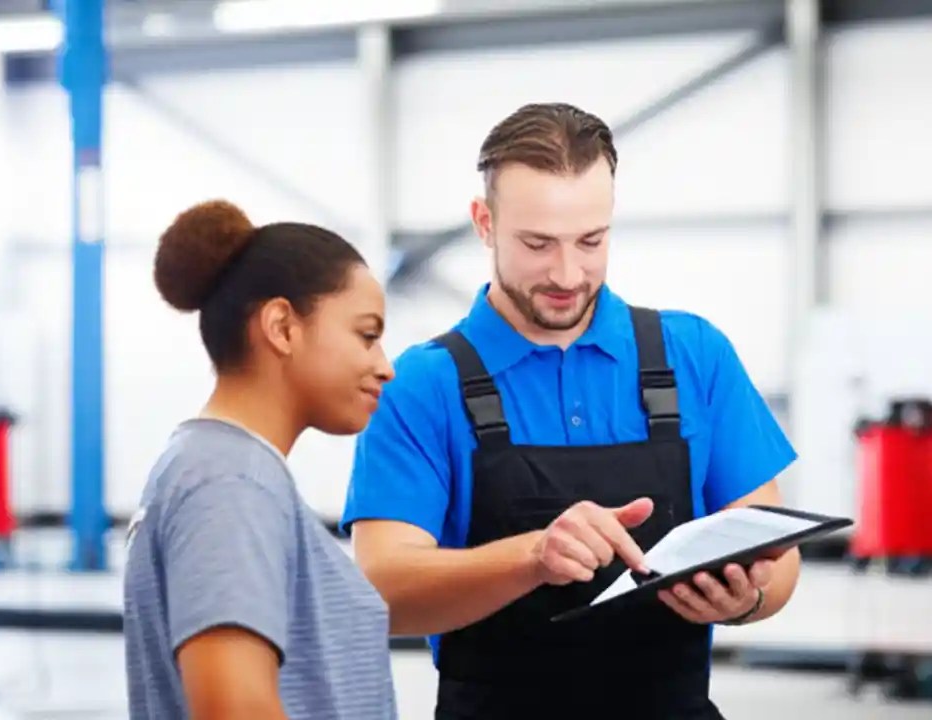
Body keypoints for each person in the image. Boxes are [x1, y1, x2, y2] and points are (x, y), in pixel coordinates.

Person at [342, 102, 802, 720]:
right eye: (537, 243)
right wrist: (531, 558)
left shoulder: (696, 354)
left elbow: (779, 555)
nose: (567, 273)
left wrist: (745, 599)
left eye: (591, 241)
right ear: (484, 223)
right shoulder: (420, 386)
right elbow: (382, 591)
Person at [123, 199, 398, 720]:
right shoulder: (230, 483)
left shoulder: (226, 472)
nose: (384, 367)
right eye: (366, 335)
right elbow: (234, 709)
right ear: (281, 327)